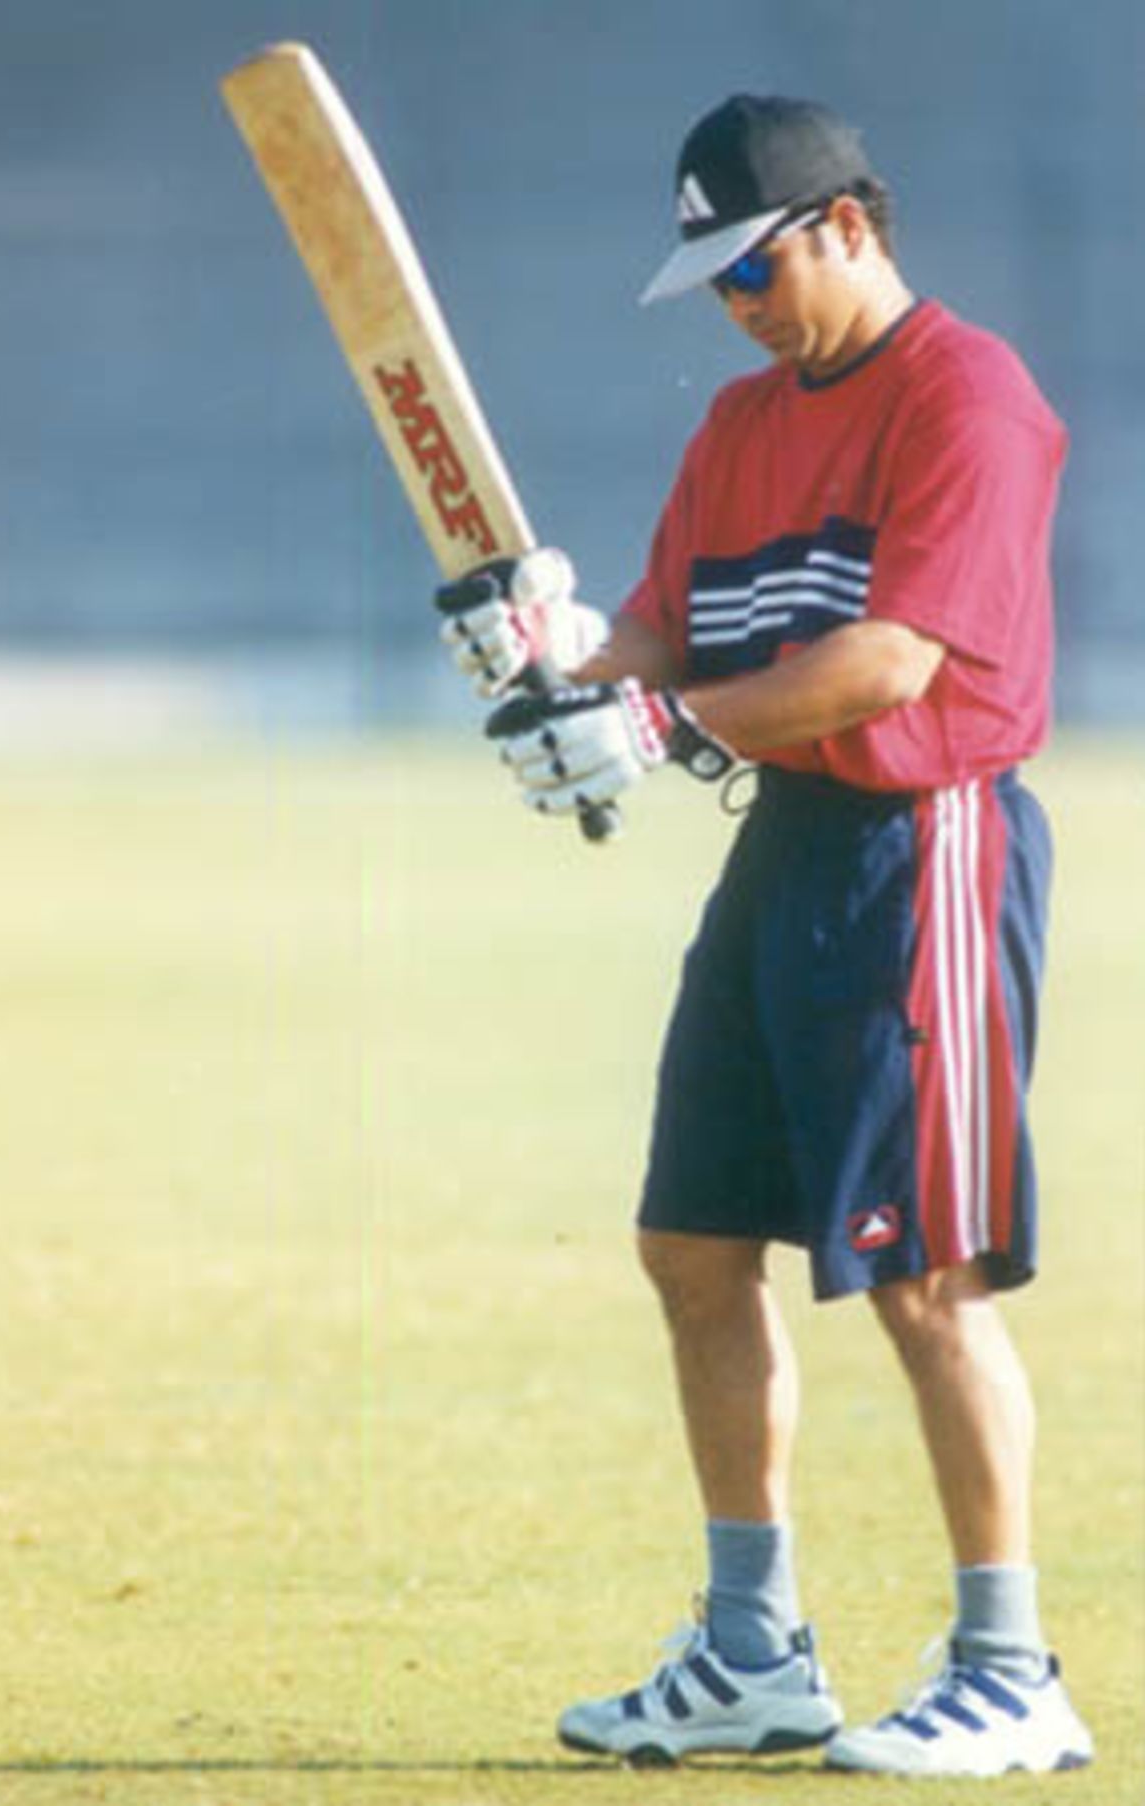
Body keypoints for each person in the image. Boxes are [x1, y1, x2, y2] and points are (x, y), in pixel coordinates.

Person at [437, 93, 1093, 1779]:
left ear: (850, 224)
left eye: (757, 270)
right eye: (716, 284)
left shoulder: (971, 396)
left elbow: (891, 662)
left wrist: (656, 725)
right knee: (692, 1243)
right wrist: (560, 659)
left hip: (925, 846)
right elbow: (671, 630)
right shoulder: (741, 422)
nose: (740, 308)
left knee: (927, 1281)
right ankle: (752, 1653)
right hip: (785, 852)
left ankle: (1011, 1669)